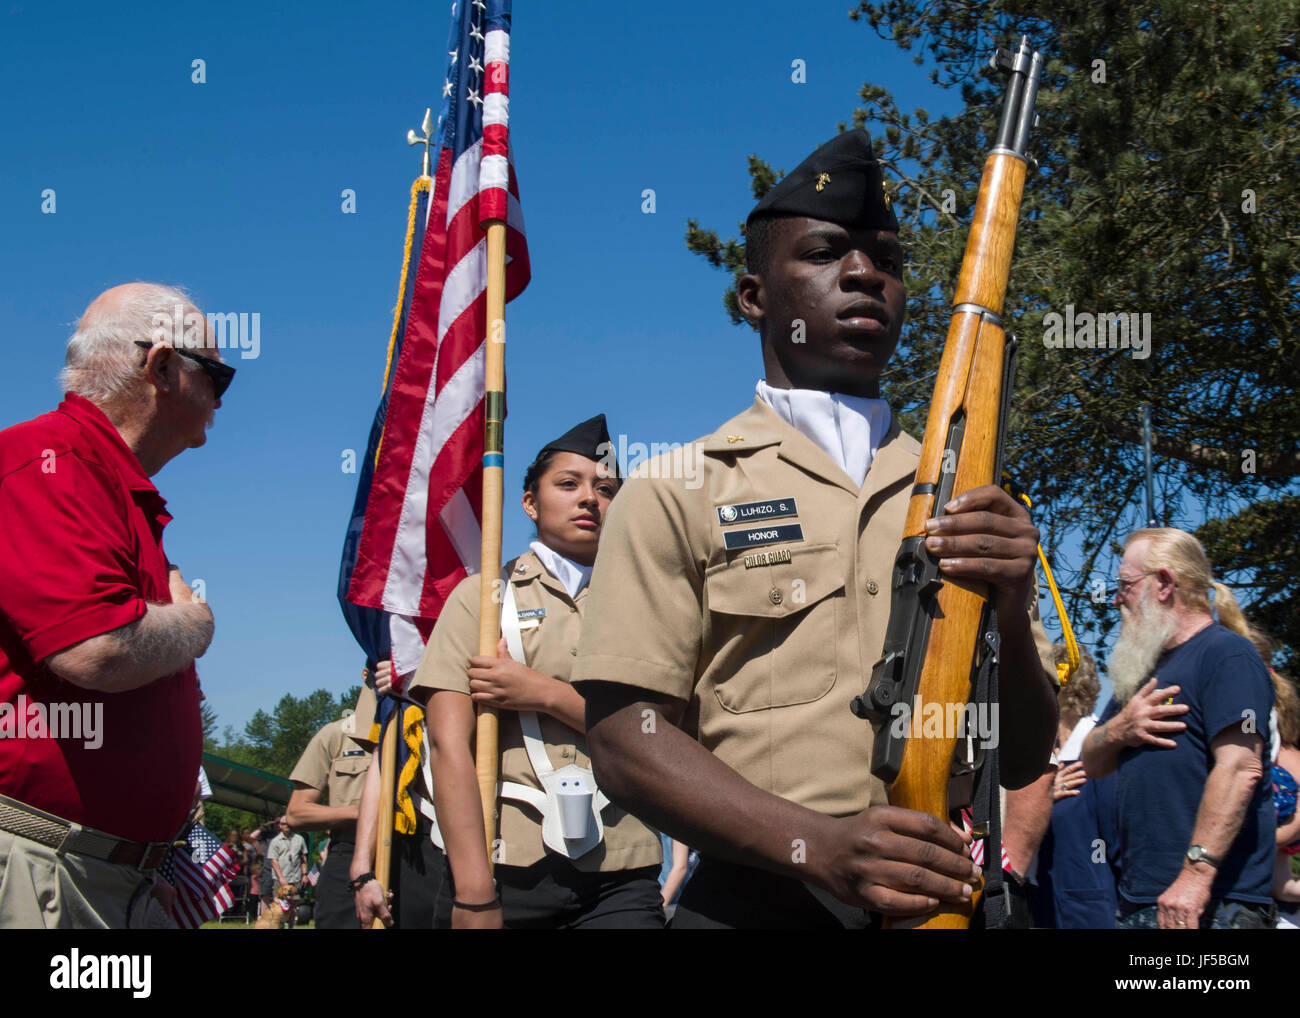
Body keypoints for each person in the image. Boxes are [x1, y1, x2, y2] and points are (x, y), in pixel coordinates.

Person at [571, 131, 1059, 929]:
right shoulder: (676, 489)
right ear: (754, 297)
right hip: (757, 904)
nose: (866, 275)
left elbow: (1027, 757)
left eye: (888, 262)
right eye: (827, 252)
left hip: (943, 905)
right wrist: (819, 847)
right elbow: (627, 741)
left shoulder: (971, 498)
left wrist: (1010, 601)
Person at [0, 282, 231, 928]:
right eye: (215, 376)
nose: (219, 400)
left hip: (104, 875)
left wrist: (136, 866)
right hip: (46, 870)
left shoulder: (103, 484)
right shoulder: (44, 465)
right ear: (160, 368)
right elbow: (96, 649)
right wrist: (193, 625)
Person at [403, 416, 664, 929]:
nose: (589, 498)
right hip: (506, 865)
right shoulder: (482, 601)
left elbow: (664, 733)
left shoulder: (651, 601)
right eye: (568, 484)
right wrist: (475, 892)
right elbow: (447, 744)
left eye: (606, 488)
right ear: (529, 503)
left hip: (623, 864)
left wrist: (541, 693)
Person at [1081, 527, 1276, 929]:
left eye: (1125, 585)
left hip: (1213, 904)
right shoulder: (1142, 675)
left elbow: (1241, 769)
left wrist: (1195, 877)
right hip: (1144, 899)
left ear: (1165, 583)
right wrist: (1121, 728)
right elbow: (1092, 761)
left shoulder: (1227, 655)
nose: (1116, 598)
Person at [1032, 646, 1121, 928]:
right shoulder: (1033, 758)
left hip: (1091, 913)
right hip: (1039, 907)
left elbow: (1120, 843)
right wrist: (1040, 801)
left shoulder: (1101, 750)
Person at [286, 692, 377, 929]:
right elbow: (296, 813)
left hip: (413, 855)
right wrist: (362, 812)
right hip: (347, 852)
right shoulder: (336, 734)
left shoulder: (423, 729)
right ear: (366, 673)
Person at [267, 816, 308, 928]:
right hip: (281, 878)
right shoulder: (275, 841)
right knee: (279, 906)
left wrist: (305, 874)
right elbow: (273, 861)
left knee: (293, 906)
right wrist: (281, 878)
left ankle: (291, 926)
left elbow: (303, 858)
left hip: (295, 878)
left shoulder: (299, 839)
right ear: (280, 826)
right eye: (284, 824)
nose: (287, 826)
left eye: (289, 824)